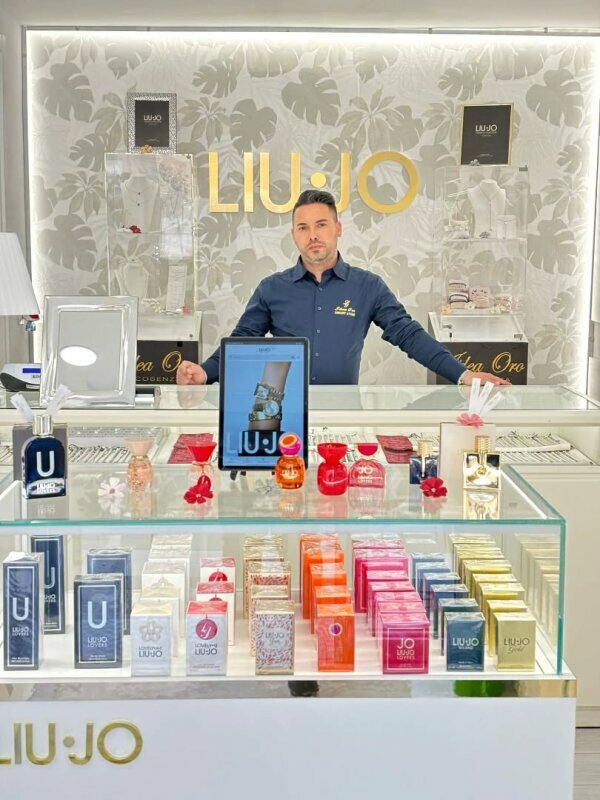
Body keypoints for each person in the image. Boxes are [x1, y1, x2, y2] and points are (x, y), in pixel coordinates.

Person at [177, 189, 510, 388]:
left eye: (321, 225)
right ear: (294, 235)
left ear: (338, 228)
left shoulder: (368, 286)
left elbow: (408, 335)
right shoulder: (271, 288)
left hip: (344, 411)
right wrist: (204, 373)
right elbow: (241, 341)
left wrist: (463, 375)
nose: (313, 235)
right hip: (281, 411)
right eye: (303, 227)